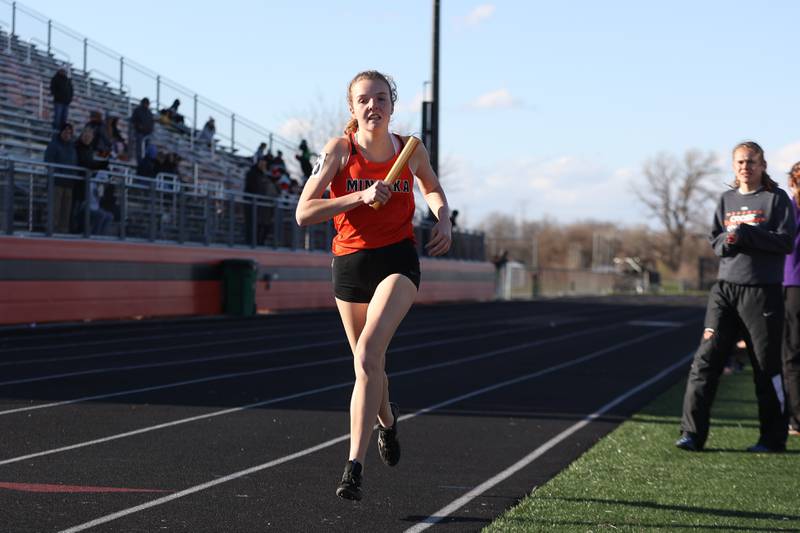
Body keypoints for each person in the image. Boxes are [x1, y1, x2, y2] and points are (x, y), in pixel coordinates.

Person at [295, 70, 451, 501]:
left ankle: (353, 468)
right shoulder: (339, 152)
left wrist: (443, 216)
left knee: (368, 354)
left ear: (392, 105)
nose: (373, 106)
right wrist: (358, 197)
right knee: (368, 368)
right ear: (352, 108)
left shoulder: (410, 150)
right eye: (364, 99)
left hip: (397, 261)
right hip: (349, 263)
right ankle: (387, 420)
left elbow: (432, 187)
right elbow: (304, 212)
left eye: (381, 98)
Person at [676, 141, 796, 453]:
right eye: (741, 162)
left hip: (762, 292)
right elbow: (715, 239)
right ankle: (692, 434)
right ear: (734, 167)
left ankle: (772, 439)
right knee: (705, 361)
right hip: (724, 290)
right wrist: (727, 242)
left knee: (765, 368)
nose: (746, 167)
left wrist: (746, 233)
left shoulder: (776, 199)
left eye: (752, 162)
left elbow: (785, 242)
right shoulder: (726, 199)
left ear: (763, 165)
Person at [783, 161, 800, 437]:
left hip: (793, 284)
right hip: (789, 284)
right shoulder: (787, 208)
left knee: (792, 355)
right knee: (791, 354)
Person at [44, 122, 78, 232]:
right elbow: (48, 161)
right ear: (61, 132)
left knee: (66, 210)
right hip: (56, 182)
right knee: (55, 209)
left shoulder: (72, 147)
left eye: (70, 132)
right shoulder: (54, 144)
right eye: (66, 132)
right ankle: (51, 229)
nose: (67, 134)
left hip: (69, 183)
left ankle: (63, 230)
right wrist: (58, 173)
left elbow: (75, 163)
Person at [244, 156, 279, 245]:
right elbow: (252, 188)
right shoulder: (252, 173)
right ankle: (251, 244)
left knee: (265, 226)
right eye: (262, 162)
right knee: (253, 226)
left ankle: (260, 243)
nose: (263, 164)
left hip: (264, 206)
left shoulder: (266, 175)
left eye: (265, 162)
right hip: (253, 204)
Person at [131, 97, 154, 163]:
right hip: (139, 132)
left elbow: (152, 122)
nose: (146, 105)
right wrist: (138, 126)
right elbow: (133, 120)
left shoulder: (149, 112)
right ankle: (139, 161)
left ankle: (145, 161)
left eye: (147, 103)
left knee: (146, 148)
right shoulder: (137, 110)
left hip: (147, 133)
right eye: (145, 103)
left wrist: (150, 129)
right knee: (139, 148)